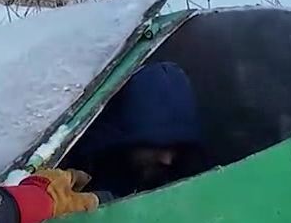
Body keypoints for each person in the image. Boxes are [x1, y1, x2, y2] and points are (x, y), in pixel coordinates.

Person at [67, 62, 210, 200]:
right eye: (156, 146)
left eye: (175, 147)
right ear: (122, 141)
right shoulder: (71, 179)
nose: (167, 160)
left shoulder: (191, 179)